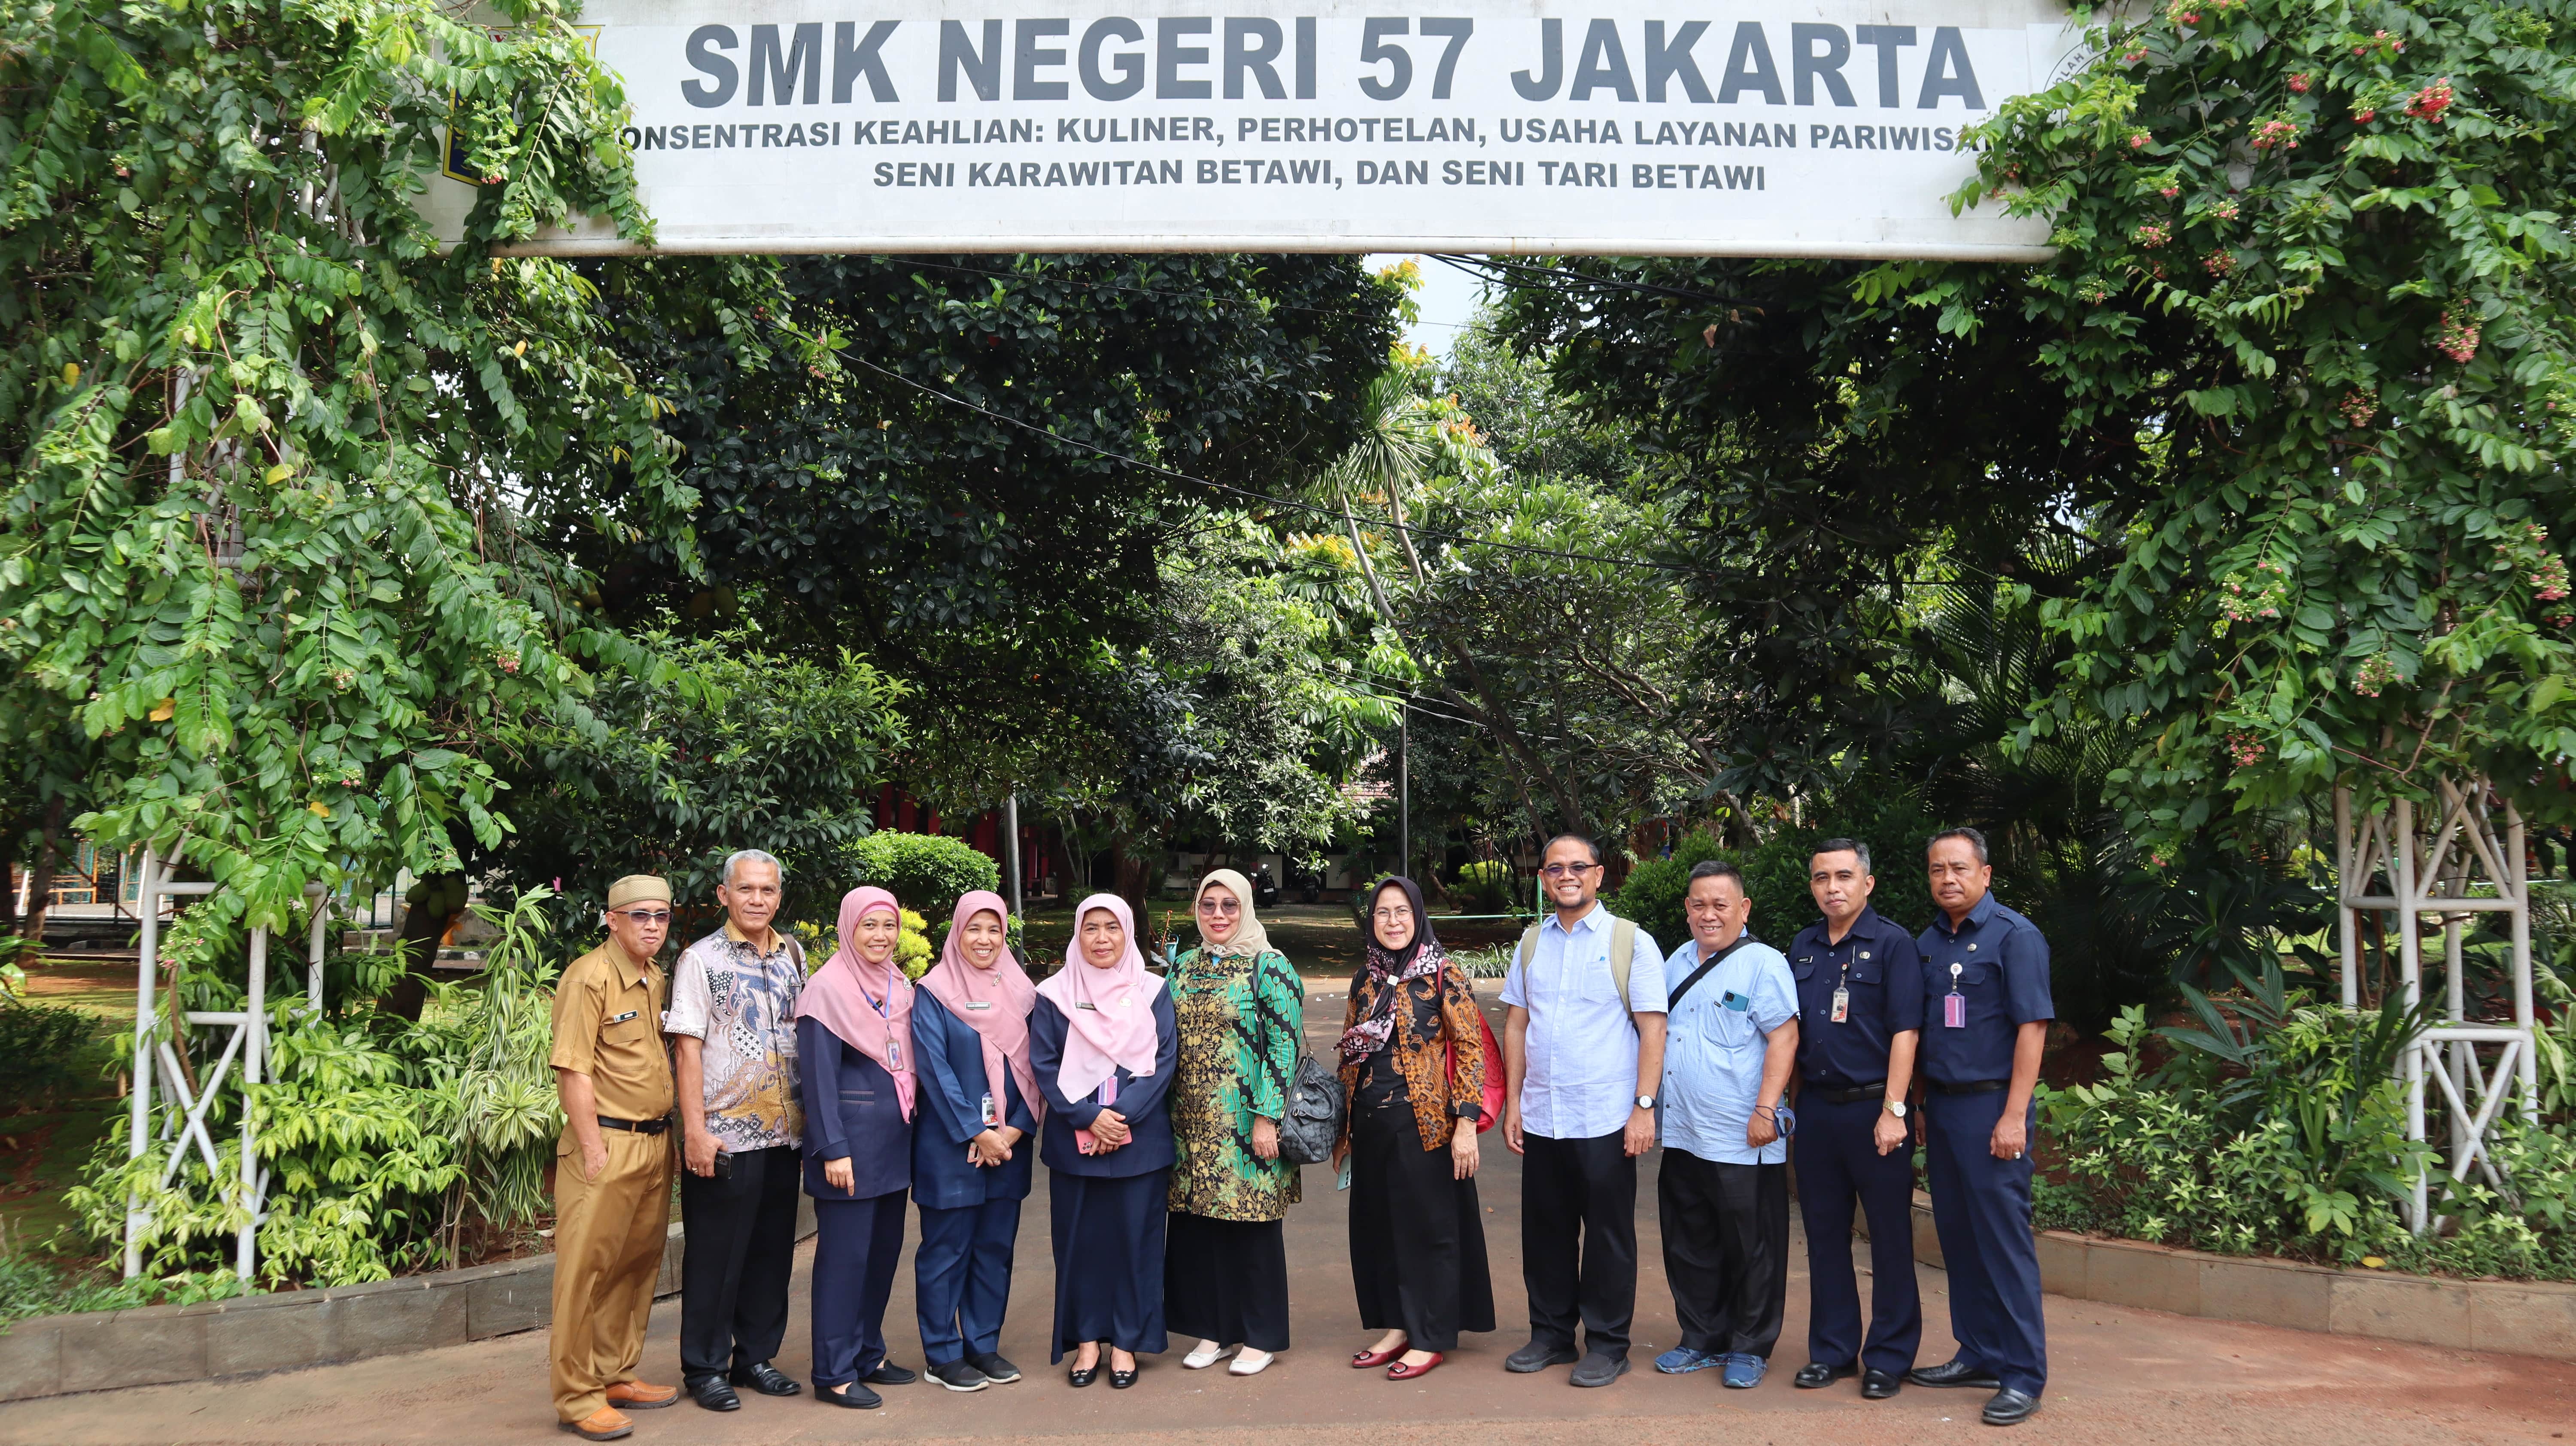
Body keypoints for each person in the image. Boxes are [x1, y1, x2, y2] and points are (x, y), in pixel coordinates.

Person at [1499, 834, 1668, 1387]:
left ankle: (1608, 1343)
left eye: (1577, 866)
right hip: (1545, 1114)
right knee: (1545, 1230)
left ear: (1598, 874)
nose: (1566, 875)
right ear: (1544, 878)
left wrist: (1644, 1108)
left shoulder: (1631, 942)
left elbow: (1653, 1029)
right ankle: (1550, 1334)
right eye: (1555, 868)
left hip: (1605, 1116)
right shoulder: (1530, 943)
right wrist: (1514, 1103)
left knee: (1608, 1235)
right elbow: (1519, 1024)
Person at [1906, 827, 2054, 1427]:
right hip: (1942, 1109)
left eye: (1960, 868)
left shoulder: (2016, 937)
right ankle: (1980, 1353)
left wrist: (2015, 1115)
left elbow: (2033, 1028)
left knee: (2004, 1243)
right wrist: (1918, 1105)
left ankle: (2022, 1373)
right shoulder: (1928, 942)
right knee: (1959, 1239)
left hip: (1994, 1109)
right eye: (1938, 869)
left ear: (1986, 874)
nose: (1948, 878)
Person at [1333, 875, 1494, 1381]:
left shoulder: (1444, 975)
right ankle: (1398, 1324)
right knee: (1380, 1228)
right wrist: (1343, 1128)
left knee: (1428, 1231)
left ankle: (1430, 1335)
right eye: (1383, 912)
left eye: (1402, 911)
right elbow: (1349, 1049)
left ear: (1418, 914)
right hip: (1371, 1124)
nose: (1393, 921)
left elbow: (1470, 1049)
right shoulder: (1367, 978)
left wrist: (1466, 1123)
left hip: (1425, 1128)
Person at [662, 849, 806, 1412]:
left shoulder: (793, 954)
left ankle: (756, 1358)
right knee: (716, 1257)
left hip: (784, 1134)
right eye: (746, 890)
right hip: (725, 1136)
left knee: (771, 1254)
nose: (757, 900)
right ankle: (704, 1368)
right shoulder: (701, 961)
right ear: (724, 895)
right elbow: (687, 1049)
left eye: (767, 891)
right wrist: (693, 1131)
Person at [1785, 838, 1925, 1400]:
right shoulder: (1803, 946)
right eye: (1822, 878)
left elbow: (1906, 1032)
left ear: (1868, 883)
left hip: (1875, 1112)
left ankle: (1889, 1357)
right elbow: (1791, 1033)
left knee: (1890, 1237)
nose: (1832, 887)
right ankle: (1834, 1351)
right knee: (1824, 1236)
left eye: (1844, 876)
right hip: (1817, 1111)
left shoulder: (1893, 944)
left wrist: (1896, 1110)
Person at [1651, 860, 1799, 1390]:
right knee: (1689, 1238)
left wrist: (1766, 1108)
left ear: (1744, 908)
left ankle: (1751, 1345)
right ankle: (1701, 1337)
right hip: (1685, 1132)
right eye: (1698, 904)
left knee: (1752, 1244)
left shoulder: (1764, 964)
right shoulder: (1675, 960)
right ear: (1687, 908)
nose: (1708, 914)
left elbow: (1784, 1036)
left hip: (1743, 1135)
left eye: (1720, 904)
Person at [547, 875, 683, 1442]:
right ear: (612, 919)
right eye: (639, 916)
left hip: (654, 1144)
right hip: (605, 1144)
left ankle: (615, 1373)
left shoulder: (654, 978)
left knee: (634, 1267)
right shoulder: (589, 977)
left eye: (660, 915)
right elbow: (573, 1069)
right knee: (586, 1273)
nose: (652, 925)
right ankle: (578, 1397)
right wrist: (593, 1148)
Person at [1031, 893, 1179, 1389]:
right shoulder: (1054, 993)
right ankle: (1087, 1340)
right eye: (1091, 928)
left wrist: (1121, 1117)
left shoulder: (1154, 989)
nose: (1101, 938)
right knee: (1081, 1243)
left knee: (1136, 1243)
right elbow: (1045, 1065)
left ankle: (1125, 1342)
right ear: (1078, 933)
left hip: (1140, 1141)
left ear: (1127, 932)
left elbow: (1162, 1060)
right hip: (1076, 1141)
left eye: (1111, 928)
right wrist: (1091, 1118)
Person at [1164, 868, 1304, 1376]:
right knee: (1202, 1229)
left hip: (1248, 1127)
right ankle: (1216, 1328)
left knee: (1252, 1227)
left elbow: (1285, 1044)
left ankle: (1260, 1334)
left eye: (1228, 905)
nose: (1218, 914)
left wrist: (1267, 1117)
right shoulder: (1182, 966)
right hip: (1192, 1126)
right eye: (1208, 905)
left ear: (1245, 907)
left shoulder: (1269, 965)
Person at [909, 890, 1039, 1392]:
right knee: (947, 1248)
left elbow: (1041, 1066)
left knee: (994, 1247)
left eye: (994, 929)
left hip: (1010, 1143)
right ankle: (942, 1353)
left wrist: (1015, 1128)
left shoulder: (1024, 991)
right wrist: (978, 1131)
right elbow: (934, 1071)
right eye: (973, 929)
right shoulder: (933, 992)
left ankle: (982, 1342)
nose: (984, 940)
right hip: (953, 1146)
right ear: (956, 932)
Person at [794, 887, 919, 1409]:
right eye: (869, 925)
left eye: (888, 925)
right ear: (848, 927)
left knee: (882, 1254)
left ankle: (869, 1351)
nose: (881, 936)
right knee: (845, 1260)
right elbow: (818, 1080)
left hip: (894, 1145)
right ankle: (834, 1370)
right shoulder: (826, 991)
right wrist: (832, 1147)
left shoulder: (898, 984)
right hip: (849, 1149)